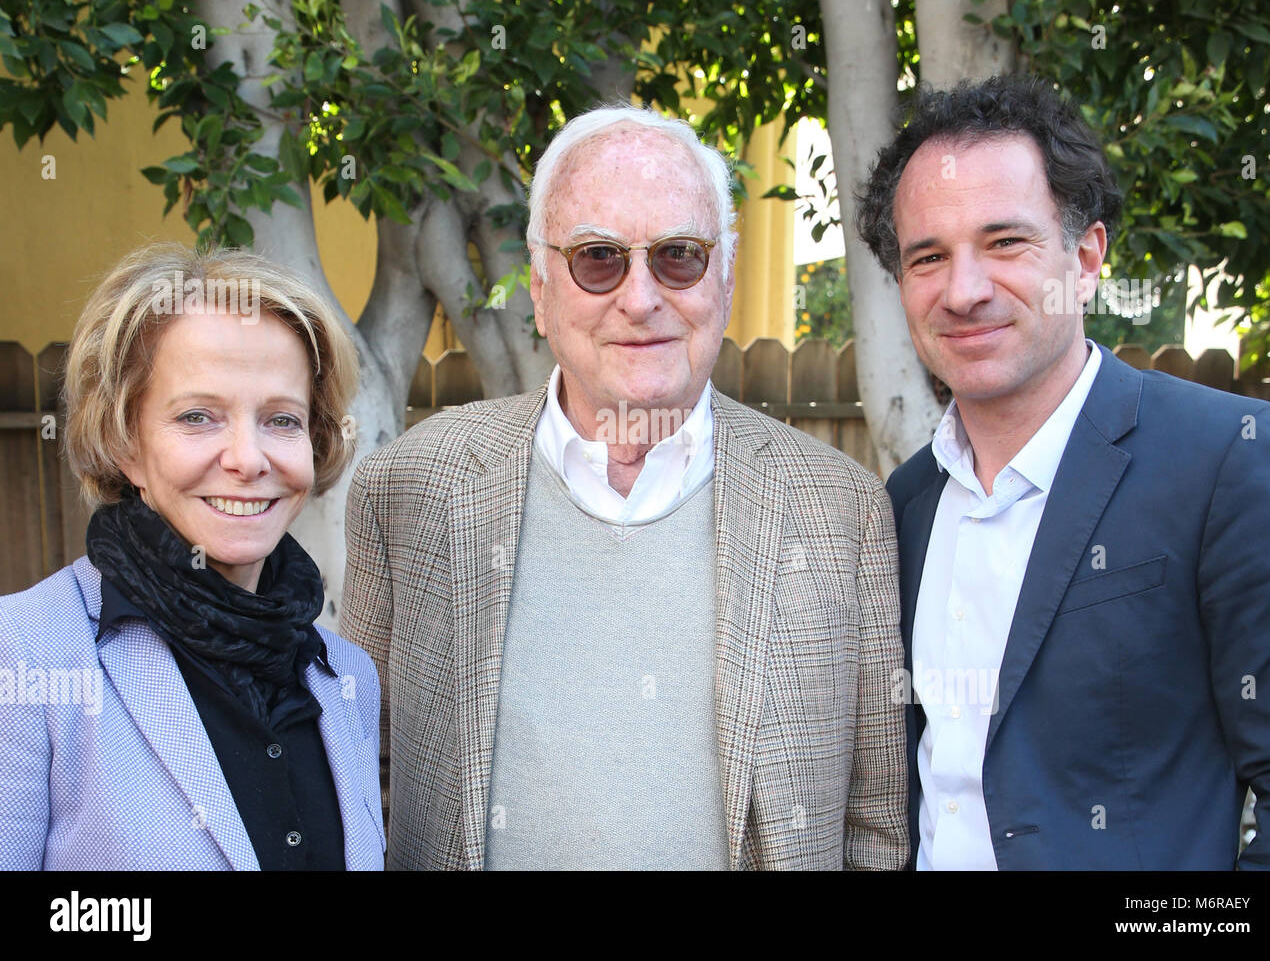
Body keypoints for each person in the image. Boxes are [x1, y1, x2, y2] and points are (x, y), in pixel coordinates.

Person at [343, 106, 908, 870]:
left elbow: (874, 830)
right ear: (541, 291)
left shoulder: (842, 511)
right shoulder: (409, 490)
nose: (640, 298)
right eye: (598, 259)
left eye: (679, 255)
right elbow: (358, 777)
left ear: (727, 282)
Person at [855, 75, 1270, 869]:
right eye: (930, 256)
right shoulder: (904, 503)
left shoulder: (1230, 458)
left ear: (1086, 257)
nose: (965, 290)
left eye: (1005, 243)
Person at [0, 244, 386, 870]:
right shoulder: (22, 656)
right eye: (199, 416)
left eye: (282, 420)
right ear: (123, 441)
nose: (247, 458)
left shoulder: (345, 679)